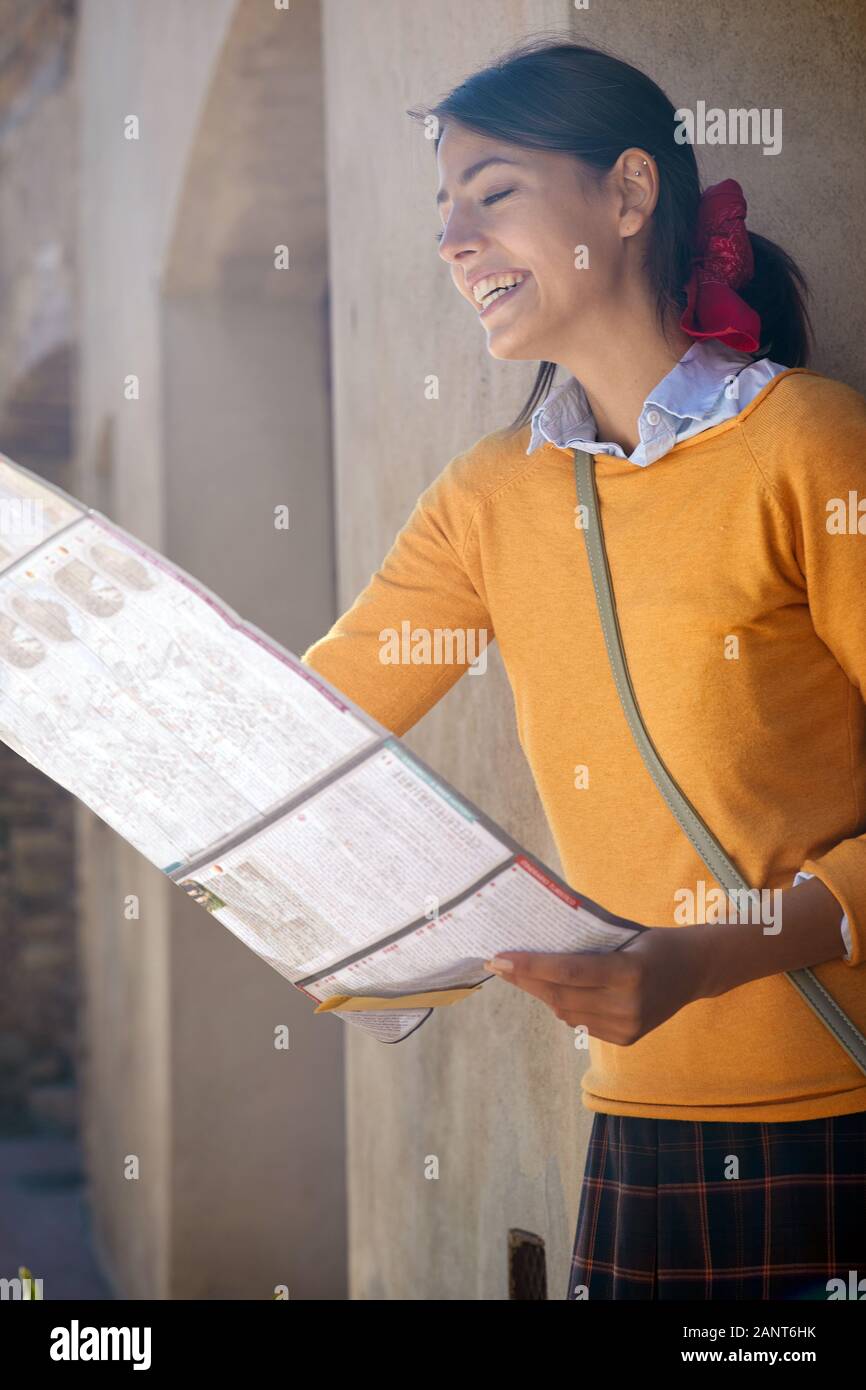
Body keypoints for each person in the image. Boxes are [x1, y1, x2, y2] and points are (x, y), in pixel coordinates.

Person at [301, 37, 866, 1300]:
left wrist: (702, 959)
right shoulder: (486, 500)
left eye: (489, 191)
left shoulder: (811, 452)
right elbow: (310, 725)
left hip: (835, 1114)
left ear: (624, 196)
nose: (451, 236)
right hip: (629, 1132)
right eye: (441, 205)